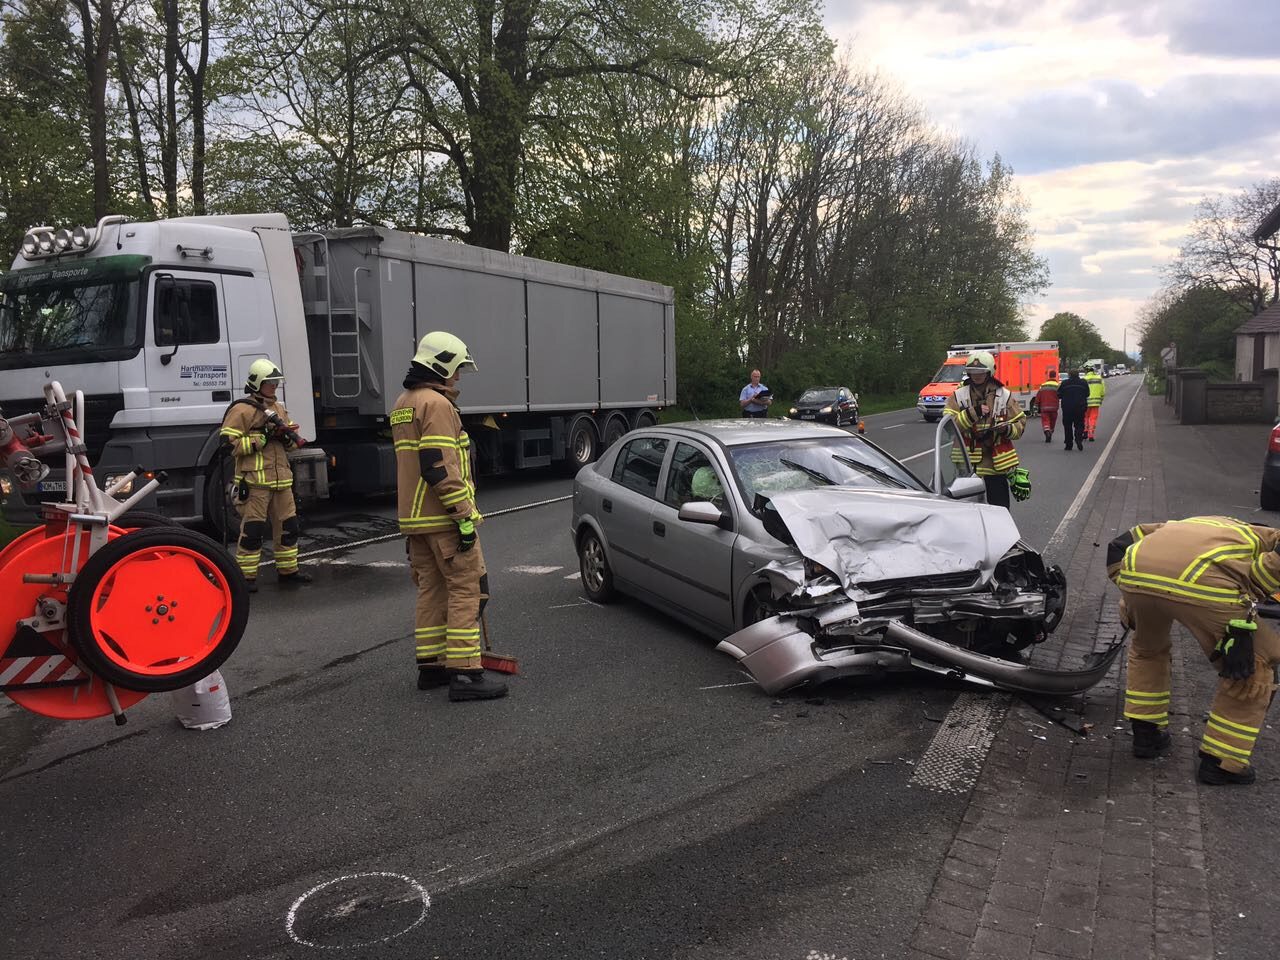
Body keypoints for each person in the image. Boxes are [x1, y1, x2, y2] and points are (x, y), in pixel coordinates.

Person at [1107, 517, 1280, 785]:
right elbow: (1263, 575)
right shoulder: (1266, 537)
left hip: (1137, 575)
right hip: (1202, 583)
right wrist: (1253, 590)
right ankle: (1222, 762)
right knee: (1255, 664)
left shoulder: (1183, 523)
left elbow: (1118, 544)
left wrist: (1129, 587)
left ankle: (1146, 734)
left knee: (1147, 650)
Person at [391, 331, 507, 702]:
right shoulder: (437, 406)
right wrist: (463, 516)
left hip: (415, 520)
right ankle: (466, 674)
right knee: (466, 589)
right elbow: (439, 467)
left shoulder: (403, 403)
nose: (458, 378)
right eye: (456, 369)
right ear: (441, 365)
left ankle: (432, 667)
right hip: (442, 518)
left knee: (431, 590)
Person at [218, 358, 311, 593]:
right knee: (253, 531)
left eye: (276, 382)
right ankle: (246, 579)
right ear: (257, 383)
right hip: (255, 481)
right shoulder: (242, 409)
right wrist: (262, 438)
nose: (275, 386)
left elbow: (290, 446)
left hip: (282, 481)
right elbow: (228, 445)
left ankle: (289, 572)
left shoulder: (278, 408)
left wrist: (285, 437)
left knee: (288, 527)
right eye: (270, 382)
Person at [942, 350, 1026, 509]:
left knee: (999, 508)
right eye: (973, 372)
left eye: (981, 372)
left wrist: (1006, 429)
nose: (976, 376)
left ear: (990, 372)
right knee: (966, 508)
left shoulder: (1004, 395)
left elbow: (1020, 424)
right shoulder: (958, 396)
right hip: (966, 462)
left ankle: (1000, 533)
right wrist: (973, 413)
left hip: (996, 464)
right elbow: (949, 428)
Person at [1057, 368, 1089, 451]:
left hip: (1067, 408)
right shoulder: (1083, 382)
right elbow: (1087, 394)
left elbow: (1059, 395)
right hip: (1080, 407)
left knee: (1067, 426)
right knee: (1080, 424)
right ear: (1078, 374)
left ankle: (1068, 444)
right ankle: (1078, 437)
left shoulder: (1064, 383)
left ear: (1069, 375)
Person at [1036, 369, 1060, 443]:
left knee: (1045, 420)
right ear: (1055, 376)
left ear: (1049, 376)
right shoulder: (1058, 385)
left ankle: (1047, 431)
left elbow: (1038, 396)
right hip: (1054, 407)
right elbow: (1061, 395)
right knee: (1053, 421)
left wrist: (1036, 404)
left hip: (1044, 407)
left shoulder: (1043, 385)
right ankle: (1051, 431)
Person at [1084, 365, 1106, 441]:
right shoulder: (1099, 378)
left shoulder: (1084, 379)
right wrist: (1101, 399)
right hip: (1096, 403)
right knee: (1093, 418)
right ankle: (1091, 434)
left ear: (1086, 371)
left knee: (1085, 417)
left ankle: (1085, 431)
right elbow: (1103, 391)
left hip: (1085, 403)